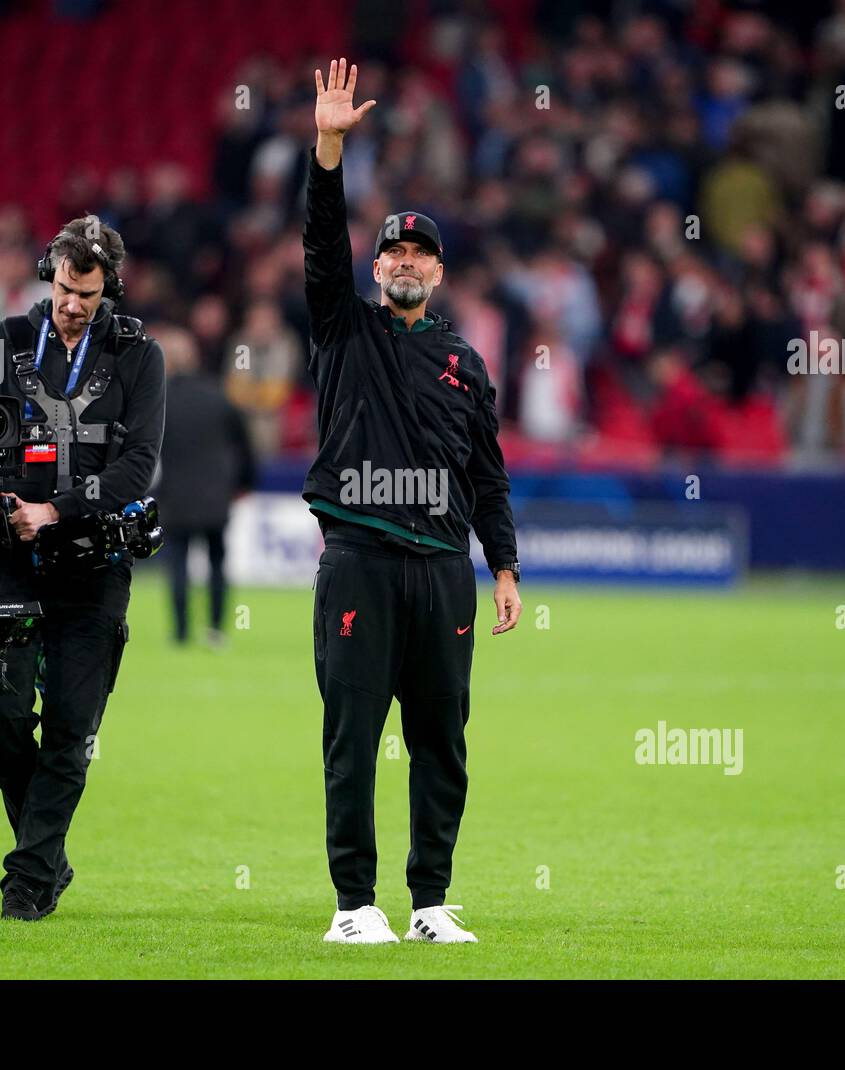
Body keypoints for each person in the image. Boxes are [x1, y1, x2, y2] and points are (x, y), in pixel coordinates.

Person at [304, 59, 522, 944]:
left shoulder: (465, 363)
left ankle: (430, 902)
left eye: (418, 253)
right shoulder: (343, 329)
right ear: (380, 264)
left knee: (444, 743)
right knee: (353, 742)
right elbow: (323, 247)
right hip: (359, 562)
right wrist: (328, 148)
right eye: (391, 250)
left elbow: (488, 476)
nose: (402, 261)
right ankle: (355, 907)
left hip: (444, 574)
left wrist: (503, 564)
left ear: (436, 272)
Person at [0, 217, 165, 920]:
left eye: (89, 293)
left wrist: (56, 509)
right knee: (2, 721)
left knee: (71, 729)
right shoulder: (3, 343)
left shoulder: (139, 356)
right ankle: (46, 857)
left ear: (110, 289)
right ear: (51, 273)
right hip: (4, 560)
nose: (74, 304)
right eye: (67, 288)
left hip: (93, 564)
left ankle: (28, 888)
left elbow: (137, 467)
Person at [155, 324, 255, 646]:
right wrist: (242, 484)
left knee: (178, 565)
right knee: (216, 564)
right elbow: (245, 446)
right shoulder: (219, 395)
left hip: (175, 497)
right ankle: (215, 629)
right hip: (216, 497)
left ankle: (181, 631)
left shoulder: (158, 402)